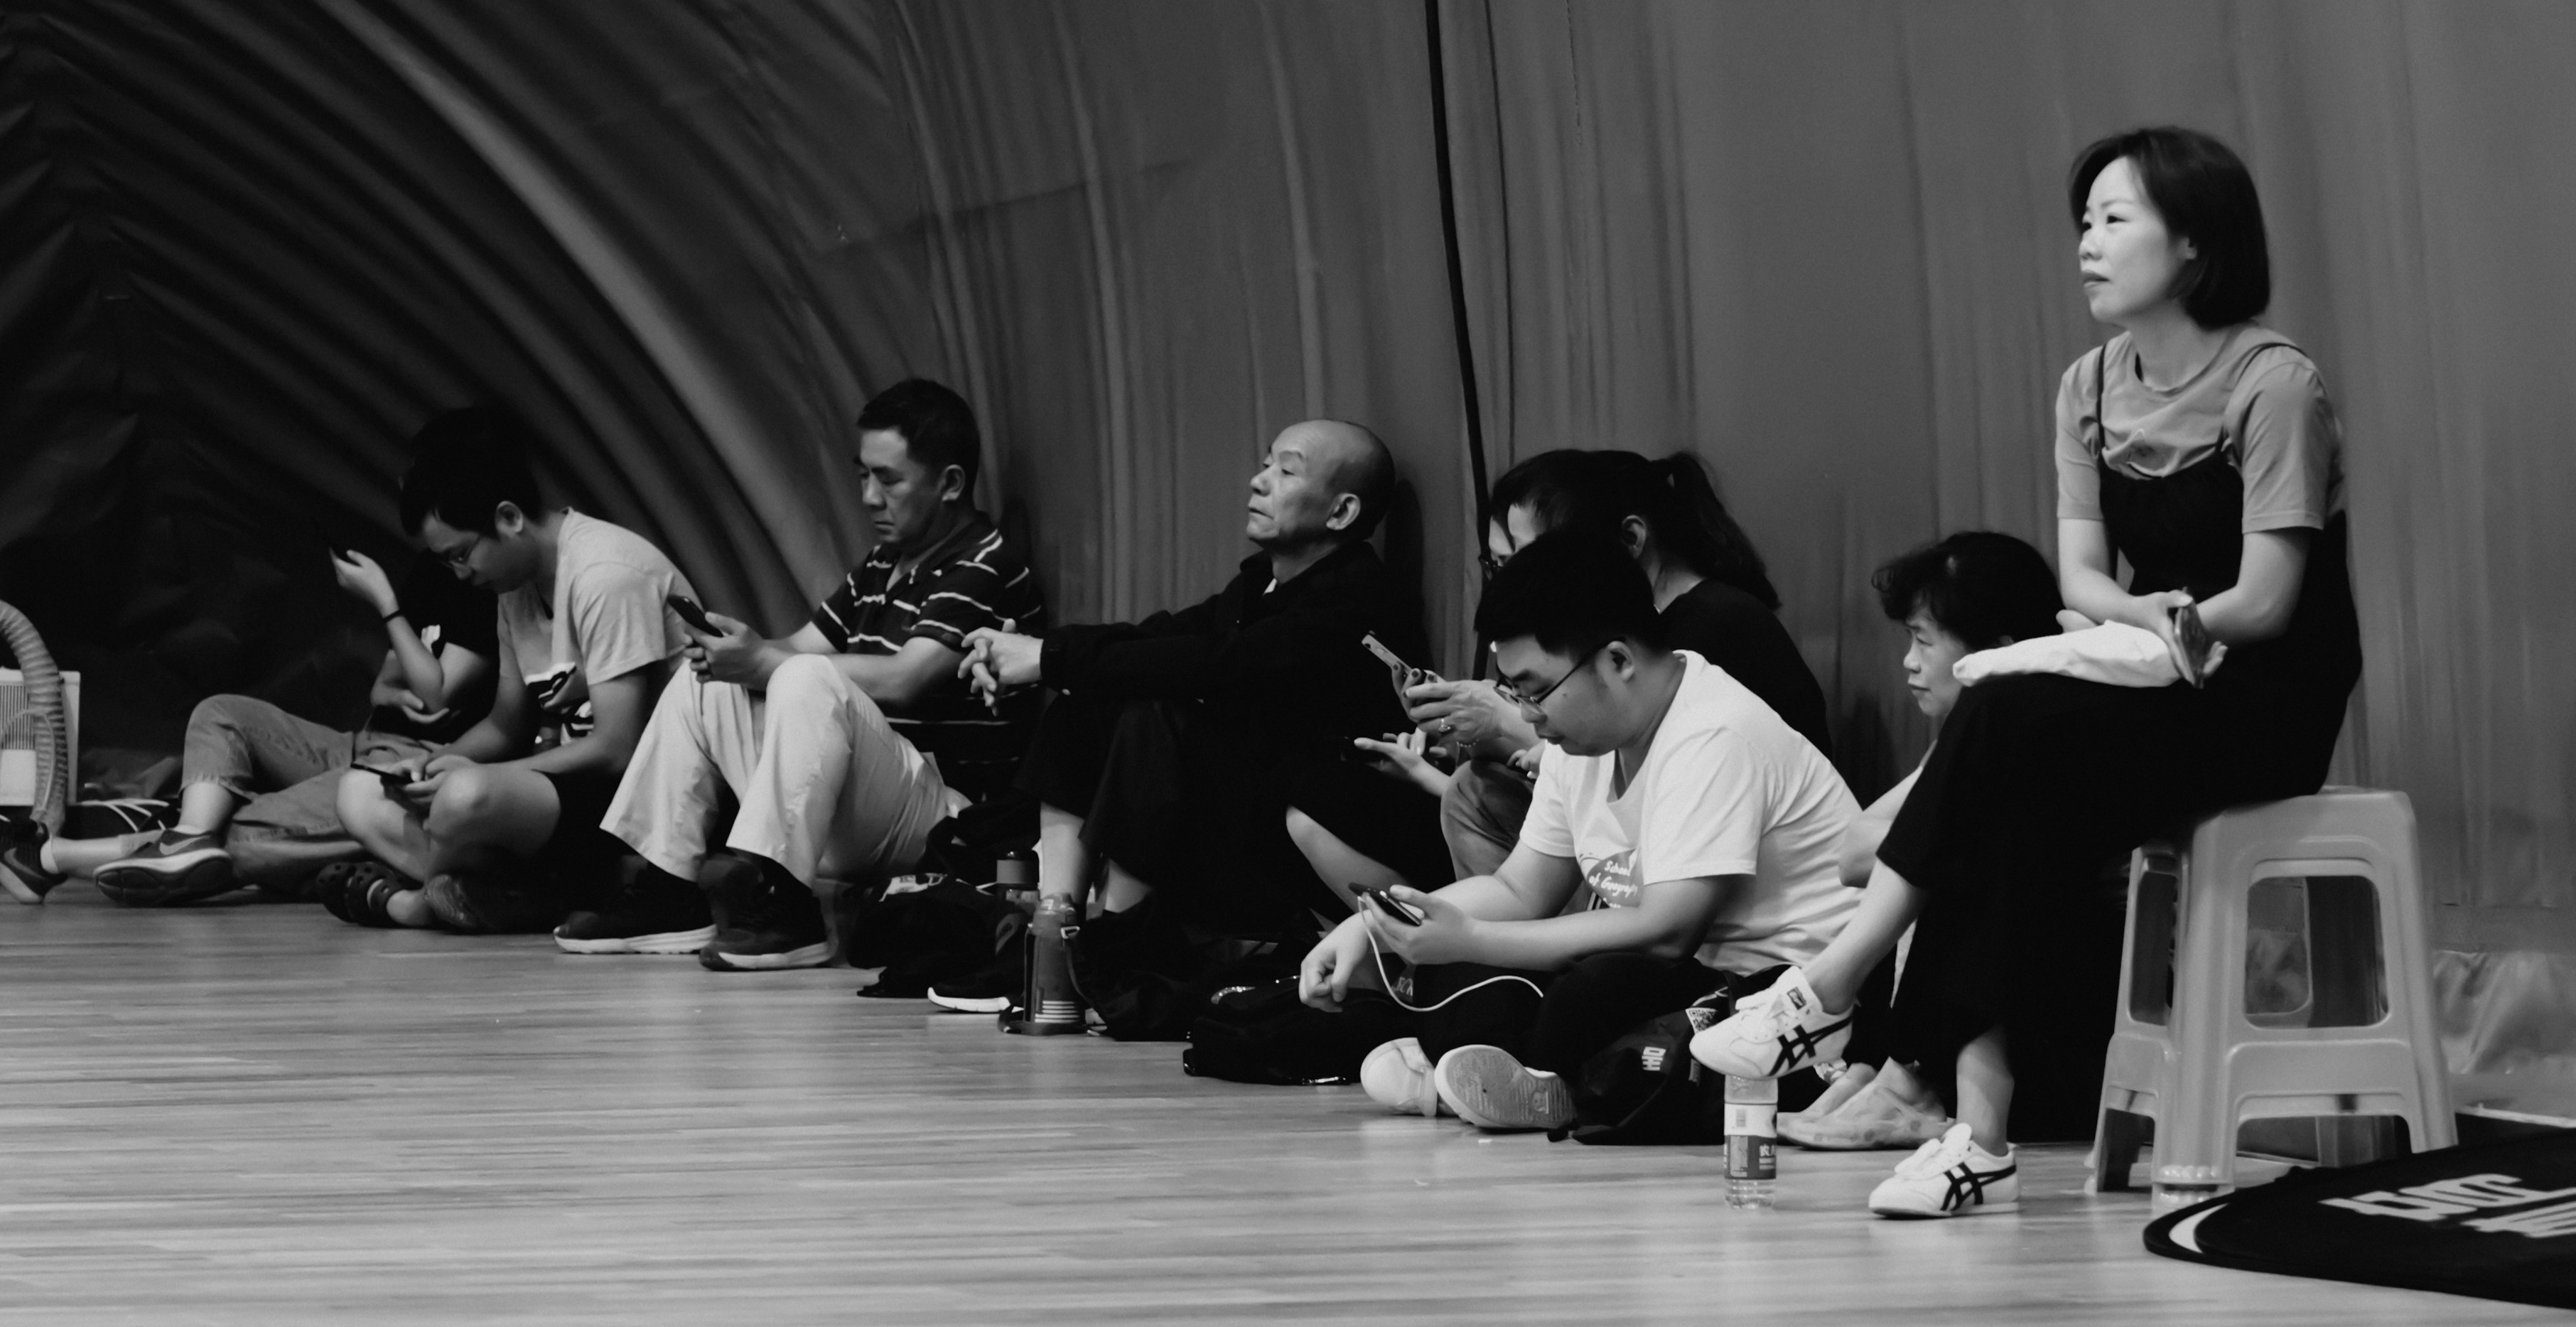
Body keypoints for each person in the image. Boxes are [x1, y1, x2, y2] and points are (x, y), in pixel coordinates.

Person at [1698, 128, 2360, 1219]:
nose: (2087, 246)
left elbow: (2268, 601)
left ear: (2193, 244)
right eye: (2082, 225)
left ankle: (1844, 1003)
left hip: (2255, 696)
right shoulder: (2089, 384)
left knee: (1998, 719)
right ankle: (1968, 1126)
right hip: (2151, 666)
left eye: (2114, 220)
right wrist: (2136, 616)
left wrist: (2176, 622)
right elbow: (2085, 574)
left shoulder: (2272, 384)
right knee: (1996, 773)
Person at [1283, 525, 1858, 1133]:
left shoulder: (1713, 732)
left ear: (1617, 660)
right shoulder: (1581, 743)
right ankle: (1525, 1075)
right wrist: (1367, 930)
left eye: (1536, 693)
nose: (1525, 718)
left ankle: (1524, 1078)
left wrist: (1470, 939)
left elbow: (1665, 931)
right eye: (1514, 693)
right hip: (1691, 980)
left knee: (1597, 983)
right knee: (1465, 969)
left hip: (1784, 998)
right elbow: (1518, 892)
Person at [575, 377, 1046, 968]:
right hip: (864, 802)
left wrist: (770, 662)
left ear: (950, 483)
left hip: (943, 815)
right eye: (862, 475)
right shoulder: (884, 563)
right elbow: (796, 645)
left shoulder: (986, 563)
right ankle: (669, 889)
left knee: (803, 677)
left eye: (889, 479)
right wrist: (735, 653)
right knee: (709, 682)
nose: (870, 497)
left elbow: (907, 678)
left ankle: (790, 909)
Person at [953, 419, 1406, 979]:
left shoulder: (1354, 601)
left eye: (1285, 471)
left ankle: (1114, 945)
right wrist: (1037, 652)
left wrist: (1044, 659)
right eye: (1265, 463)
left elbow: (1217, 665)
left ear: (1341, 513)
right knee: (1088, 695)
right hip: (1223, 828)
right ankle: (1056, 932)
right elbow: (1161, 638)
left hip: (1284, 852)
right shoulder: (1258, 585)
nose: (1258, 481)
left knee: (1154, 712)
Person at [1292, 448, 1831, 898]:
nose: (1518, 582)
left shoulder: (1706, 640)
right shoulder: (1621, 638)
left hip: (1726, 889)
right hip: (1643, 872)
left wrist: (1503, 724)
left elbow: (1649, 799)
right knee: (1466, 792)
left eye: (1529, 558)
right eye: (1498, 566)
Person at [35, 440, 495, 906]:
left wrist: (383, 601)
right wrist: (392, 694)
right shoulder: (432, 569)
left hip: (410, 761)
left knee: (244, 830)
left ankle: (54, 857)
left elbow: (437, 694)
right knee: (221, 714)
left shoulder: (485, 578)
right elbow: (384, 685)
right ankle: (186, 841)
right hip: (365, 742)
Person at [325, 408, 696, 933]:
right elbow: (505, 726)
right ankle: (521, 892)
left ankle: (421, 902)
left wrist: (477, 778)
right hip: (569, 795)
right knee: (359, 795)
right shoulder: (512, 587)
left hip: (643, 795)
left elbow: (618, 749)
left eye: (461, 555)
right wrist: (436, 764)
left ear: (508, 518)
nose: (460, 574)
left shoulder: (605, 574)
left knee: (466, 798)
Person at [1781, 529, 2059, 1151]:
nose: (1908, 661)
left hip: (2049, 1001)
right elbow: (1852, 853)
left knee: (1939, 871)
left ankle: (1911, 1085)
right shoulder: (1961, 739)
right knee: (1907, 872)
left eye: (1922, 640)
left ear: (2000, 653)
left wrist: (1929, 842)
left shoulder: (2037, 734)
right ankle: (1872, 1074)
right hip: (1989, 996)